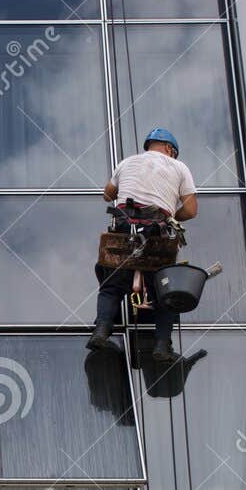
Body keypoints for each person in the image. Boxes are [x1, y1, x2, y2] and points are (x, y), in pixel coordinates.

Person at [90, 127, 198, 364]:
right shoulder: (179, 167)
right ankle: (161, 345)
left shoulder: (128, 162)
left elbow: (108, 195)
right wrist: (171, 218)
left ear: (149, 146)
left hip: (123, 233)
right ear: (169, 149)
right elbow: (191, 210)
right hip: (156, 237)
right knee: (166, 293)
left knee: (111, 286)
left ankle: (101, 330)